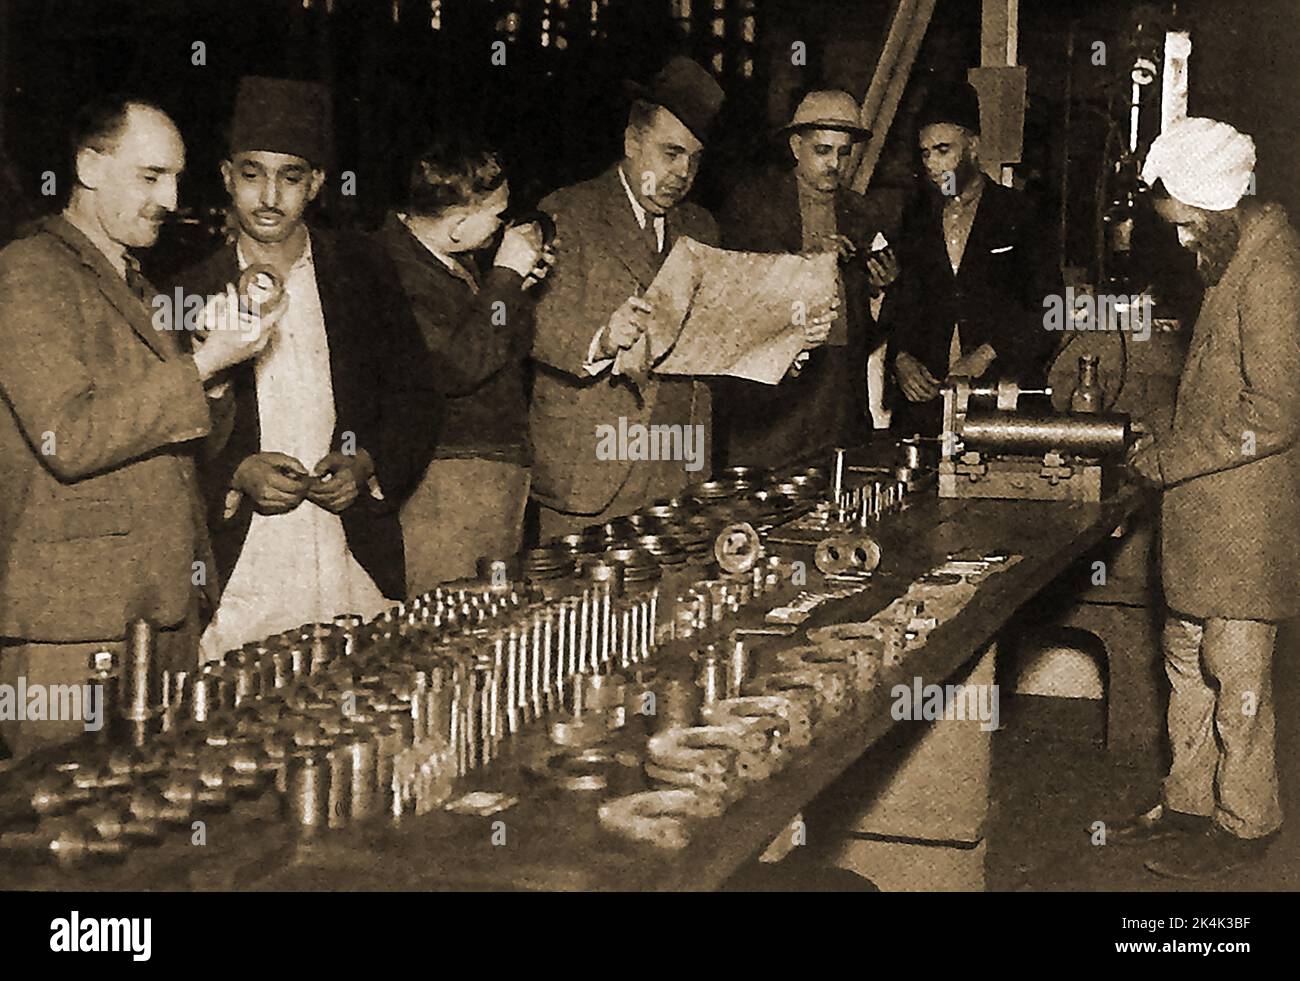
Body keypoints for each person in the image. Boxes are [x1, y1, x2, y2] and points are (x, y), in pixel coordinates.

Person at [0, 96, 271, 758]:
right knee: (55, 822)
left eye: (177, 178)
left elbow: (183, 444)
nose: (170, 198)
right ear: (89, 167)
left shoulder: (138, 286)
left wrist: (211, 378)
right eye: (150, 176)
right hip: (73, 625)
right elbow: (71, 436)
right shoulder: (29, 272)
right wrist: (203, 361)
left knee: (148, 817)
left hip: (159, 607)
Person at [175, 77, 438, 661]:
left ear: (316, 183)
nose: (269, 196)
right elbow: (165, 433)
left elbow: (417, 395)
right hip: (240, 560)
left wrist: (368, 464)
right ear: (225, 176)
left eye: (290, 176)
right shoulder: (186, 290)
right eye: (251, 173)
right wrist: (234, 474)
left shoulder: (362, 272)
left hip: (348, 552)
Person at [1109, 117, 1299, 880]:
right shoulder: (1234, 259)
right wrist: (1163, 432)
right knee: (1186, 660)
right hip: (1203, 514)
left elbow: (1277, 412)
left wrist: (1170, 458)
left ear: (1219, 209)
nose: (1184, 244)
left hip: (1243, 522)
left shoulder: (1276, 271)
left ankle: (1246, 822)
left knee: (1238, 675)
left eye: (1188, 228)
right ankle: (1188, 803)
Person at [528, 56, 726, 540]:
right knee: (579, 612)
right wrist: (600, 339)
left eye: (694, 160)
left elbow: (717, 333)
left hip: (679, 462)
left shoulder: (701, 227)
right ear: (632, 142)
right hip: (591, 468)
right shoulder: (568, 211)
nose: (682, 173)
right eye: (670, 153)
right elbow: (532, 322)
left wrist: (773, 350)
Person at [375, 137, 555, 590]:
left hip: (485, 475)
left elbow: (498, 348)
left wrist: (514, 290)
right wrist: (506, 275)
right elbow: (458, 366)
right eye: (497, 215)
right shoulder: (394, 268)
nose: (503, 225)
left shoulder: (449, 259)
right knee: (453, 622)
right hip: (449, 485)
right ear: (456, 224)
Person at [715, 89, 898, 470]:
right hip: (774, 405)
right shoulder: (753, 206)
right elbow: (733, 302)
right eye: (822, 150)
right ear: (796, 146)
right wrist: (804, 265)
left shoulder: (861, 214)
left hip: (839, 398)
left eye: (843, 152)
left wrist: (880, 291)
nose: (835, 164)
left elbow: (873, 330)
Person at [881, 81, 1053, 436]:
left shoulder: (1019, 213)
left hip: (1000, 401)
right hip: (926, 407)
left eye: (943, 150)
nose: (932, 164)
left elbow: (1048, 310)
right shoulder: (916, 219)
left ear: (973, 147)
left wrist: (986, 354)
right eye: (925, 153)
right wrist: (900, 359)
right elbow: (899, 303)